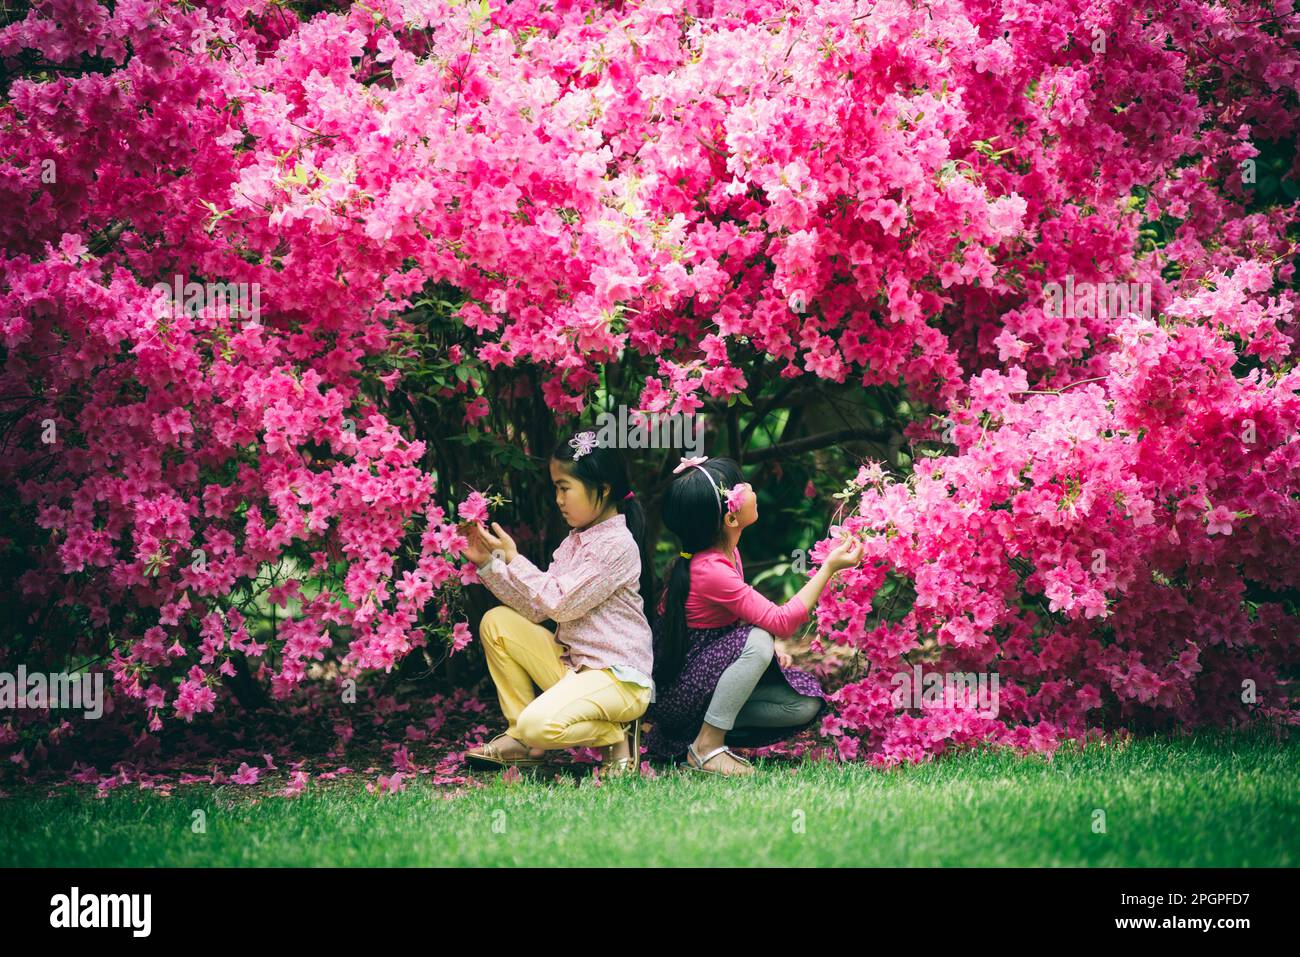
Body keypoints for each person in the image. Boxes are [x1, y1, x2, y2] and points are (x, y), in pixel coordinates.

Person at [645, 455, 864, 776]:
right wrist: (828, 567)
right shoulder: (709, 570)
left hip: (699, 687)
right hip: (679, 696)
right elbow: (782, 622)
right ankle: (706, 748)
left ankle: (698, 738)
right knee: (760, 638)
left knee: (803, 705)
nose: (749, 486)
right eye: (740, 485)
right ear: (730, 520)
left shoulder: (725, 553)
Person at [461, 430, 656, 776]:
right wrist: (488, 565)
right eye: (556, 488)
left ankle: (615, 734)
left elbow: (560, 604)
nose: (559, 499)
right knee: (497, 622)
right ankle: (521, 742)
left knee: (537, 726)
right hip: (575, 669)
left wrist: (514, 558)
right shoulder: (574, 541)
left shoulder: (617, 545)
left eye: (565, 487)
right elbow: (539, 608)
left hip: (618, 680)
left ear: (604, 488)